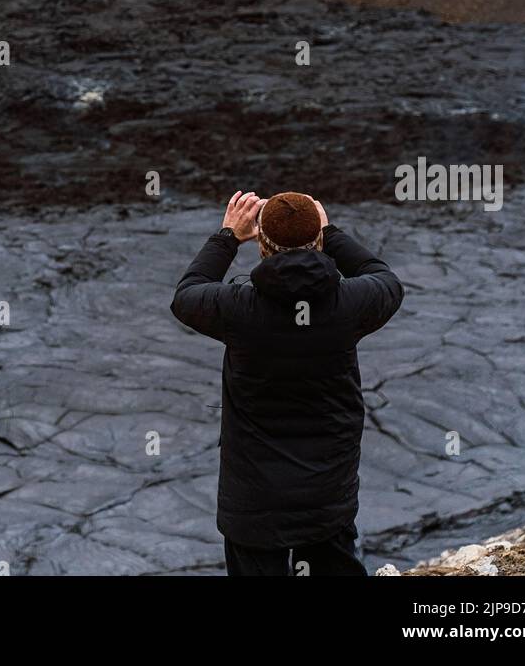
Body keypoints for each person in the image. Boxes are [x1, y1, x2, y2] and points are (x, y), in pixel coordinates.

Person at [170, 189, 404, 576]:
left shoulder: (238, 309)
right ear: (319, 242)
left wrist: (227, 236)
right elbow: (386, 279)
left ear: (261, 243)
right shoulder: (350, 304)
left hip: (253, 499)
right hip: (326, 492)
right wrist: (331, 234)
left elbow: (186, 294)